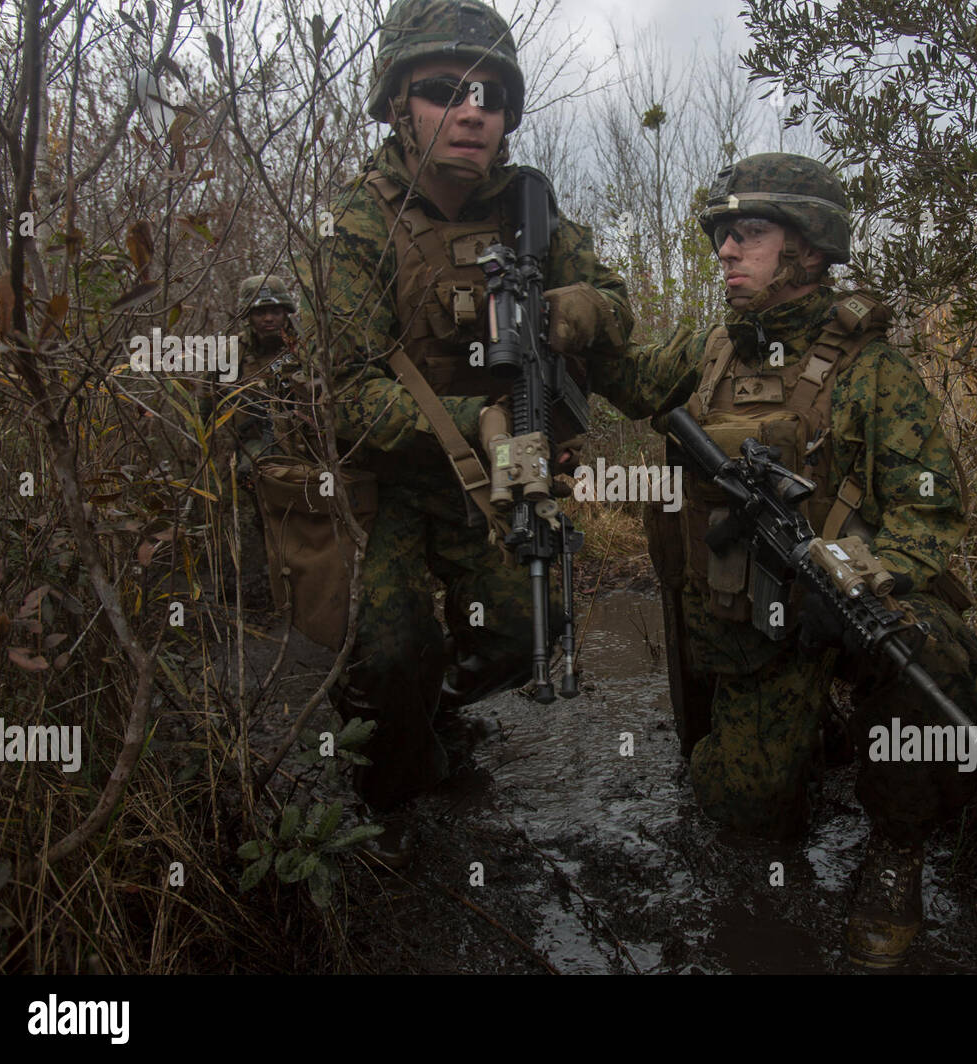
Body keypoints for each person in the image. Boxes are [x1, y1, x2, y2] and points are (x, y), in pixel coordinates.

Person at [637, 153, 977, 968]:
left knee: (923, 656)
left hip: (848, 605)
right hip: (759, 618)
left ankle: (897, 849)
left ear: (807, 248)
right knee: (744, 810)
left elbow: (932, 510)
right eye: (722, 236)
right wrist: (578, 319)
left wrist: (863, 572)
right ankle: (808, 742)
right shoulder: (710, 355)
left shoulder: (874, 372)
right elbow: (630, 375)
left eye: (749, 233)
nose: (727, 251)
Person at [293, 0, 641, 844]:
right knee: (387, 655)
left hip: (500, 478)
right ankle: (399, 768)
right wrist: (474, 420)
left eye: (489, 92)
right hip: (394, 484)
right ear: (396, 108)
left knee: (534, 626)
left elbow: (619, 308)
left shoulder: (534, 209)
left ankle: (439, 707)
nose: (471, 109)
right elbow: (344, 394)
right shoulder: (358, 226)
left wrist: (576, 311)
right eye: (444, 90)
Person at [203, 273, 299, 608]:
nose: (269, 318)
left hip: (304, 448)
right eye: (260, 312)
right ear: (249, 316)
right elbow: (207, 403)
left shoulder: (305, 346)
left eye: (274, 310)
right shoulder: (231, 353)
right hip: (250, 448)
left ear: (286, 311)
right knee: (243, 514)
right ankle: (251, 592)